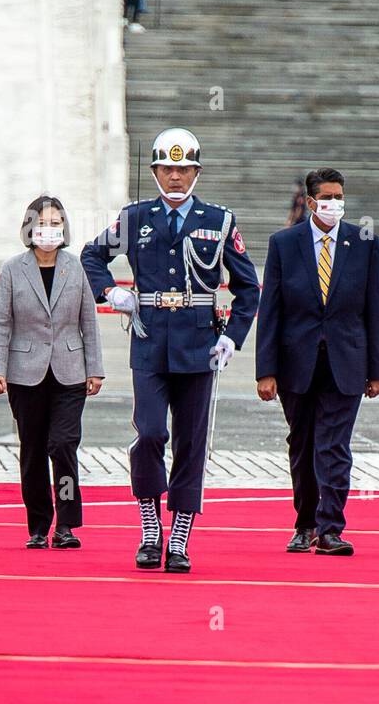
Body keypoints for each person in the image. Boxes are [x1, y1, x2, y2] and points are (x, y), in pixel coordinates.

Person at [82, 128, 260, 573]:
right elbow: (90, 255)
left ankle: (178, 535)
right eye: (167, 168)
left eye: (183, 169)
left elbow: (248, 287)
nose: (175, 177)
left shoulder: (219, 221)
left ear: (195, 172)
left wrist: (231, 337)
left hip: (199, 344)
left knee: (191, 443)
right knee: (148, 434)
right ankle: (149, 525)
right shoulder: (134, 218)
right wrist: (111, 292)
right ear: (155, 171)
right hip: (148, 340)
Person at [256, 167, 379, 556]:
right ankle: (305, 523)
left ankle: (331, 527)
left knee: (333, 446)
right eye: (327, 198)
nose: (335, 205)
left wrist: (377, 370)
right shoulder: (284, 244)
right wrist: (266, 371)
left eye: (339, 197)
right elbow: (271, 310)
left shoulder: (363, 243)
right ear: (311, 201)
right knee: (303, 444)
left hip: (347, 362)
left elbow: (374, 308)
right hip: (296, 363)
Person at [0, 195, 104, 549]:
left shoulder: (75, 267)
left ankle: (66, 523)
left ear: (64, 227)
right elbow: (0, 323)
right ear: (28, 227)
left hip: (70, 372)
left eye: (55, 223)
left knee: (63, 444)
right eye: (41, 223)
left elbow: (88, 320)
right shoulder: (12, 269)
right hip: (25, 373)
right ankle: (38, 524)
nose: (48, 230)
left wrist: (95, 369)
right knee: (33, 449)